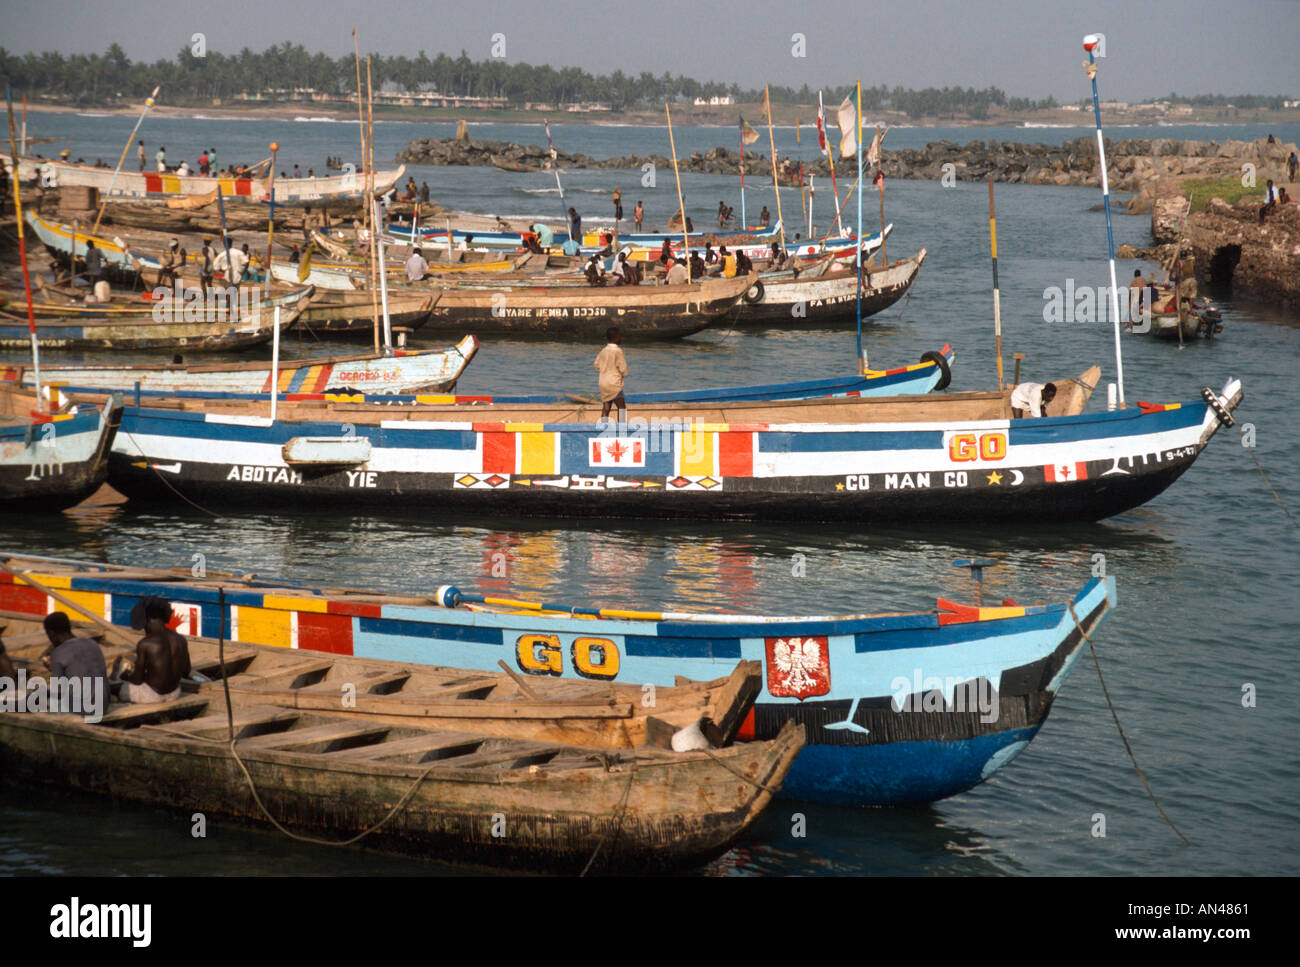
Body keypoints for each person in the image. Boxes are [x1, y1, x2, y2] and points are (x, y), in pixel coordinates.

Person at [112, 598, 190, 705]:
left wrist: (125, 676)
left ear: (147, 620)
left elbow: (137, 680)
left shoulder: (146, 643)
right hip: (175, 693)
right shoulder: (181, 639)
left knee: (115, 685)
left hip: (151, 696)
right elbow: (186, 672)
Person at [42, 612, 108, 715]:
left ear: (52, 634)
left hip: (81, 710)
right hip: (103, 706)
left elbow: (58, 693)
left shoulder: (58, 652)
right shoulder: (92, 643)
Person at [594, 326, 628, 422]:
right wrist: (622, 373)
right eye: (620, 336)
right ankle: (622, 429)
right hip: (614, 383)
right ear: (616, 338)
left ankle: (603, 427)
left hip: (603, 383)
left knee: (606, 406)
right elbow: (623, 369)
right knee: (621, 407)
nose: (621, 339)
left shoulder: (603, 350)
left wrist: (605, 368)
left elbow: (596, 365)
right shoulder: (618, 351)